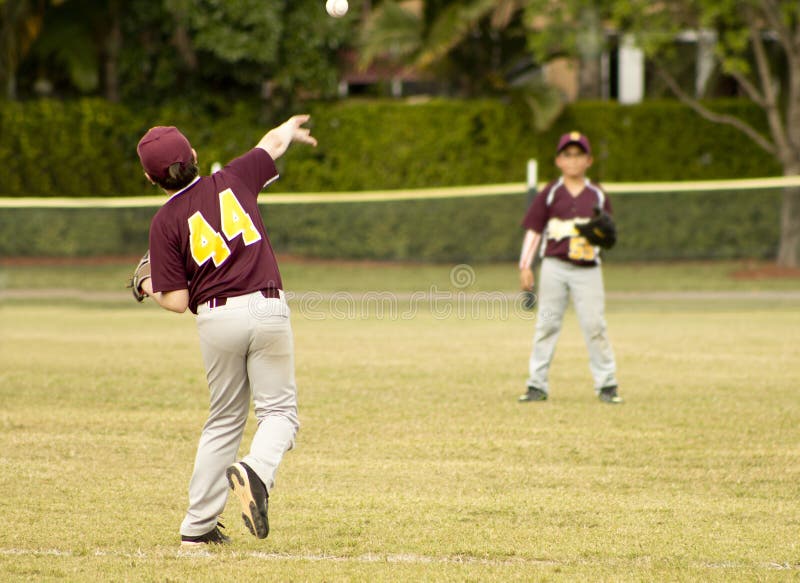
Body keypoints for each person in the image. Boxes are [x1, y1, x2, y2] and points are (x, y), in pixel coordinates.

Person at [134, 115, 317, 546]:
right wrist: (289, 129)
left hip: (216, 318)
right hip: (266, 307)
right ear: (195, 156)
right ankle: (256, 470)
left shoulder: (164, 221)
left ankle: (198, 528)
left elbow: (176, 300)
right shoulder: (233, 178)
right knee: (279, 414)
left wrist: (145, 285)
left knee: (223, 421)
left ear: (150, 179)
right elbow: (271, 144)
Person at [517, 131, 622, 404]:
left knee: (595, 326)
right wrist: (525, 265)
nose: (573, 160)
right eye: (568, 155)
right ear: (558, 160)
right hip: (555, 266)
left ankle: (607, 385)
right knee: (547, 324)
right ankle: (536, 385)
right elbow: (534, 230)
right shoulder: (551, 193)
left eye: (579, 155)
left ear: (589, 160)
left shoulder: (597, 194)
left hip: (588, 269)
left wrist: (603, 236)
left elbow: (609, 234)